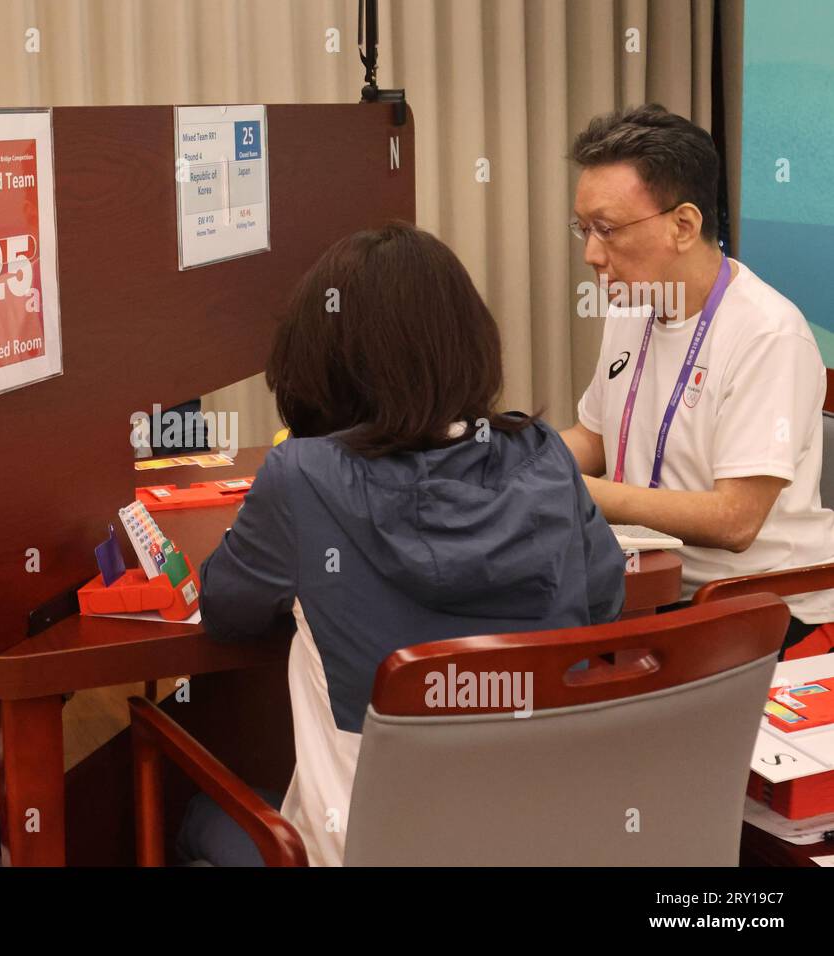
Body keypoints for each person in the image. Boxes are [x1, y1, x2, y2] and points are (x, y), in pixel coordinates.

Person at [191, 222, 627, 866]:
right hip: (540, 841)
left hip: (361, 848)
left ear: (320, 354)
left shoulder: (301, 477)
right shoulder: (545, 458)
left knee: (197, 811)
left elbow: (227, 612)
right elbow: (604, 598)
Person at [559, 104, 834, 655]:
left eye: (607, 230)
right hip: (649, 585)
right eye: (583, 229)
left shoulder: (767, 334)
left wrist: (580, 495)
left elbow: (736, 520)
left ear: (684, 225)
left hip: (758, 606)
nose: (591, 254)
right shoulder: (632, 306)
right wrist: (512, 464)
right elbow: (594, 437)